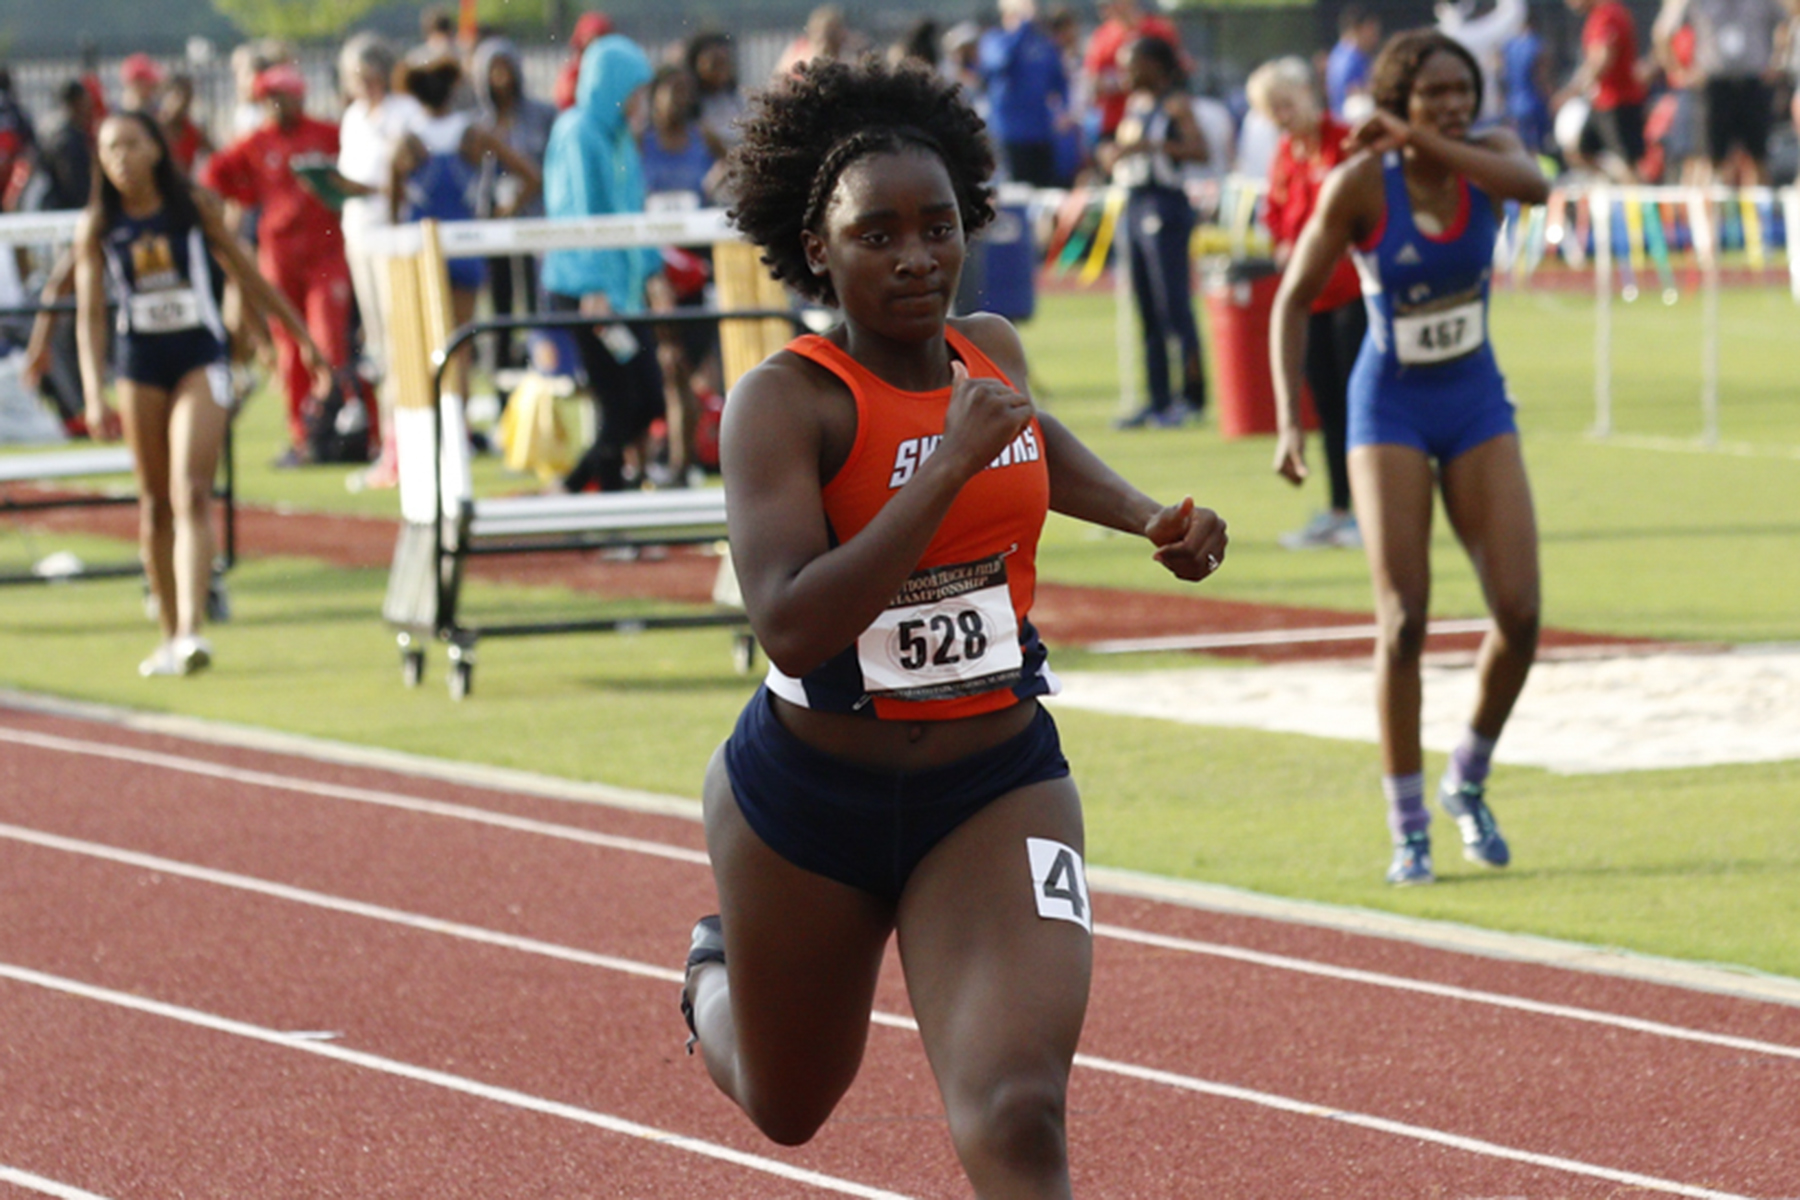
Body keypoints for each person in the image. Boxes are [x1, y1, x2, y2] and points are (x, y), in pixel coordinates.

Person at [682, 56, 1227, 1196]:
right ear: (817, 249)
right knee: (788, 1107)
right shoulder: (784, 402)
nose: (917, 256)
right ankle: (713, 974)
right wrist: (941, 471)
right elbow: (791, 622)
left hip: (994, 784)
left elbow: (1032, 440)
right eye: (877, 234)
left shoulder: (992, 356)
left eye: (938, 226)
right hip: (807, 803)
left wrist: (1146, 517)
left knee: (1017, 1111)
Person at [1269, 29, 1548, 885]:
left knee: (1521, 612)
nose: (1454, 103)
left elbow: (1536, 186)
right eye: (1432, 94)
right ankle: (1409, 824)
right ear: (1398, 99)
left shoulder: (1489, 154)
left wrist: (1425, 137)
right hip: (1388, 403)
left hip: (1474, 400)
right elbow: (1290, 300)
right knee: (1405, 622)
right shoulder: (1361, 183)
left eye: (1462, 89)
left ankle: (1467, 775)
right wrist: (1289, 422)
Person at [73, 110, 328, 675]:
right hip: (139, 364)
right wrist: (94, 393)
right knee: (154, 504)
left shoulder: (192, 208)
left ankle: (192, 630)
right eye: (110, 149)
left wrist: (302, 338)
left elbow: (249, 274)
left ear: (156, 151)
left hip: (199, 356)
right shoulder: (98, 225)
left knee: (191, 490)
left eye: (132, 145)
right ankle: (167, 634)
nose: (121, 158)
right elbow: (90, 315)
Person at [202, 63, 354, 466]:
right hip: (280, 254)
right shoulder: (256, 141)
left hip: (325, 251)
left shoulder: (326, 133)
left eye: (281, 94)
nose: (275, 102)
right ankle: (303, 435)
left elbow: (358, 174)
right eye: (269, 95)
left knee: (326, 339)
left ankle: (335, 425)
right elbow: (214, 175)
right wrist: (245, 195)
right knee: (288, 346)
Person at [540, 33, 668, 493]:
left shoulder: (620, 139)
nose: (641, 101)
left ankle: (574, 491)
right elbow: (578, 211)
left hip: (624, 292)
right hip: (588, 291)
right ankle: (605, 507)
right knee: (622, 403)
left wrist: (653, 272)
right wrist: (594, 285)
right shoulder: (576, 131)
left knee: (648, 397)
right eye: (635, 89)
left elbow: (634, 213)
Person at [392, 48, 542, 441]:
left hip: (422, 249)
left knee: (426, 343)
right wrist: (500, 214)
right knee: (457, 345)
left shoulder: (407, 141)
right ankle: (457, 431)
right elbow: (530, 175)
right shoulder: (471, 134)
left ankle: (432, 431)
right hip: (465, 244)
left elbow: (393, 204)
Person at [1249, 56, 1364, 550]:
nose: (1281, 115)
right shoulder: (1286, 154)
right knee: (1329, 408)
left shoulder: (1346, 142)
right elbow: (1275, 213)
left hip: (1353, 292)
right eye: (1271, 109)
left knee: (1359, 403)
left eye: (1286, 104)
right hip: (1308, 299)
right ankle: (1341, 508)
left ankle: (1365, 507)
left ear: (1308, 97)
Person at [1096, 36, 1208, 429]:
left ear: (1155, 66)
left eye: (1133, 64)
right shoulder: (1134, 105)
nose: (1126, 73)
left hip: (1165, 204)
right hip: (1135, 201)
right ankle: (1157, 398)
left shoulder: (1174, 104)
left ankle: (1192, 396)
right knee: (1146, 308)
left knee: (1173, 304)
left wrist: (1152, 146)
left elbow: (1199, 150)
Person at [471, 37, 556, 383]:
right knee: (501, 300)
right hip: (494, 224)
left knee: (535, 299)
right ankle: (501, 375)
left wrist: (519, 201)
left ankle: (542, 371)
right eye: (493, 70)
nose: (501, 77)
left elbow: (549, 167)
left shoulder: (542, 115)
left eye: (506, 67)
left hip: (533, 217)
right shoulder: (478, 123)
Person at [1653, 0, 1786, 184]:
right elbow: (1663, 32)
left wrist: (1777, 60)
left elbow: (1785, 22)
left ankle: (1762, 211)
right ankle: (1712, 211)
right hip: (1713, 85)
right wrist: (1678, 72)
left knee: (1758, 157)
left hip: (1753, 82)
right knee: (1710, 159)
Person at [1554, 0, 1651, 182]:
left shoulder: (1608, 14)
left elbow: (1602, 59)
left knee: (1628, 164)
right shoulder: (1598, 16)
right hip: (1601, 103)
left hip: (1620, 102)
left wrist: (1574, 89)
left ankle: (1641, 205)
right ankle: (1616, 188)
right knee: (1578, 152)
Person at [978, 0, 1072, 187]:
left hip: (1041, 131)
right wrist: (1020, 29)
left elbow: (1059, 80)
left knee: (1046, 187)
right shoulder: (994, 40)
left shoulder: (1042, 43)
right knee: (1018, 189)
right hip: (1010, 133)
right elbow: (1000, 63)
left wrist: (1063, 110)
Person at [1327, 5, 1383, 121]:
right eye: (1372, 31)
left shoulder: (1337, 52)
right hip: (1351, 123)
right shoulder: (1353, 60)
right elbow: (1355, 93)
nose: (1376, 37)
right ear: (1359, 29)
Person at [157, 72, 213, 175]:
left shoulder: (194, 132)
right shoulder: (152, 129)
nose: (182, 104)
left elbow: (218, 157)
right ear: (164, 97)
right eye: (177, 97)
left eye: (187, 98)